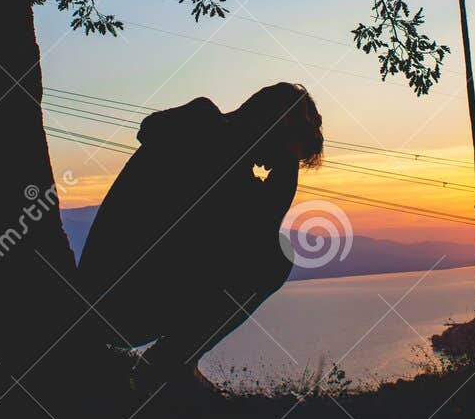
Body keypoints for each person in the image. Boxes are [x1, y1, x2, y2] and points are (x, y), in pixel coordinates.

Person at [75, 83, 323, 392]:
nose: (266, 166)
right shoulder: (207, 128)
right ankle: (167, 367)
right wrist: (287, 166)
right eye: (281, 153)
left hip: (110, 301)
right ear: (278, 125)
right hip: (119, 303)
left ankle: (171, 365)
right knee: (276, 257)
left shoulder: (219, 144)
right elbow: (262, 233)